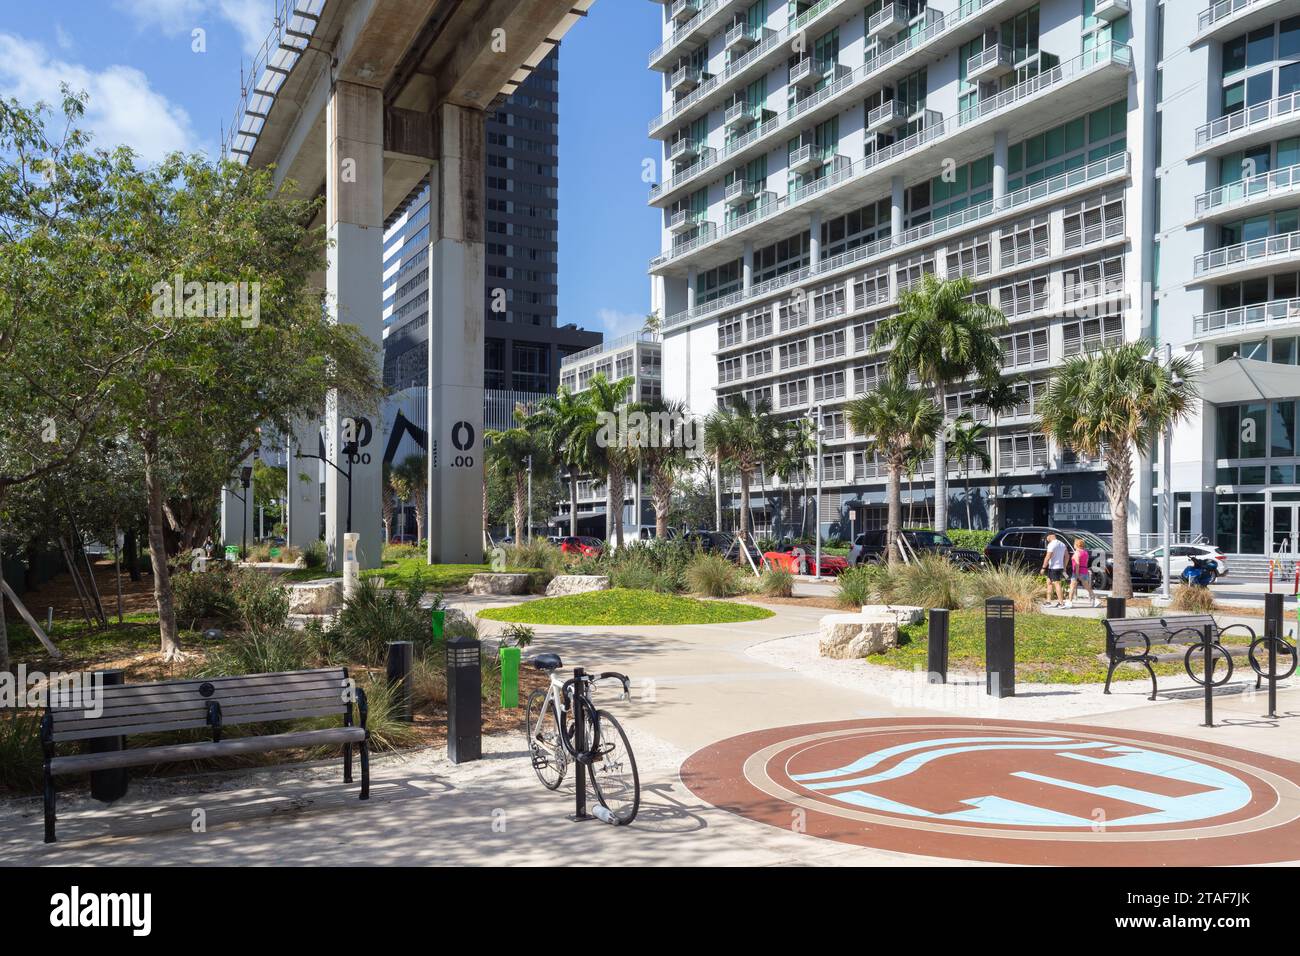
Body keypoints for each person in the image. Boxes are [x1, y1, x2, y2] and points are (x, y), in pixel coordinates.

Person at [1066, 537, 1099, 609]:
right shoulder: (1085, 553)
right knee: (1087, 587)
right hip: (1084, 571)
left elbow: (1077, 563)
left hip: (1077, 571)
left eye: (1074, 544)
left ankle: (1069, 602)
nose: (1073, 545)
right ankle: (1095, 600)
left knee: (1072, 587)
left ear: (1076, 545)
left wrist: (1077, 573)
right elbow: (1085, 562)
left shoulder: (1077, 553)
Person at [1041, 532, 1068, 608]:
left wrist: (1043, 568)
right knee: (1049, 582)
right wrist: (1064, 566)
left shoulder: (1051, 544)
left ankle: (1061, 603)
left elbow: (1047, 556)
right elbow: (1067, 556)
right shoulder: (1062, 544)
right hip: (1057, 567)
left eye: (1047, 538)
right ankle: (1048, 602)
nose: (1047, 540)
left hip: (1054, 568)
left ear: (1049, 536)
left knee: (1057, 584)